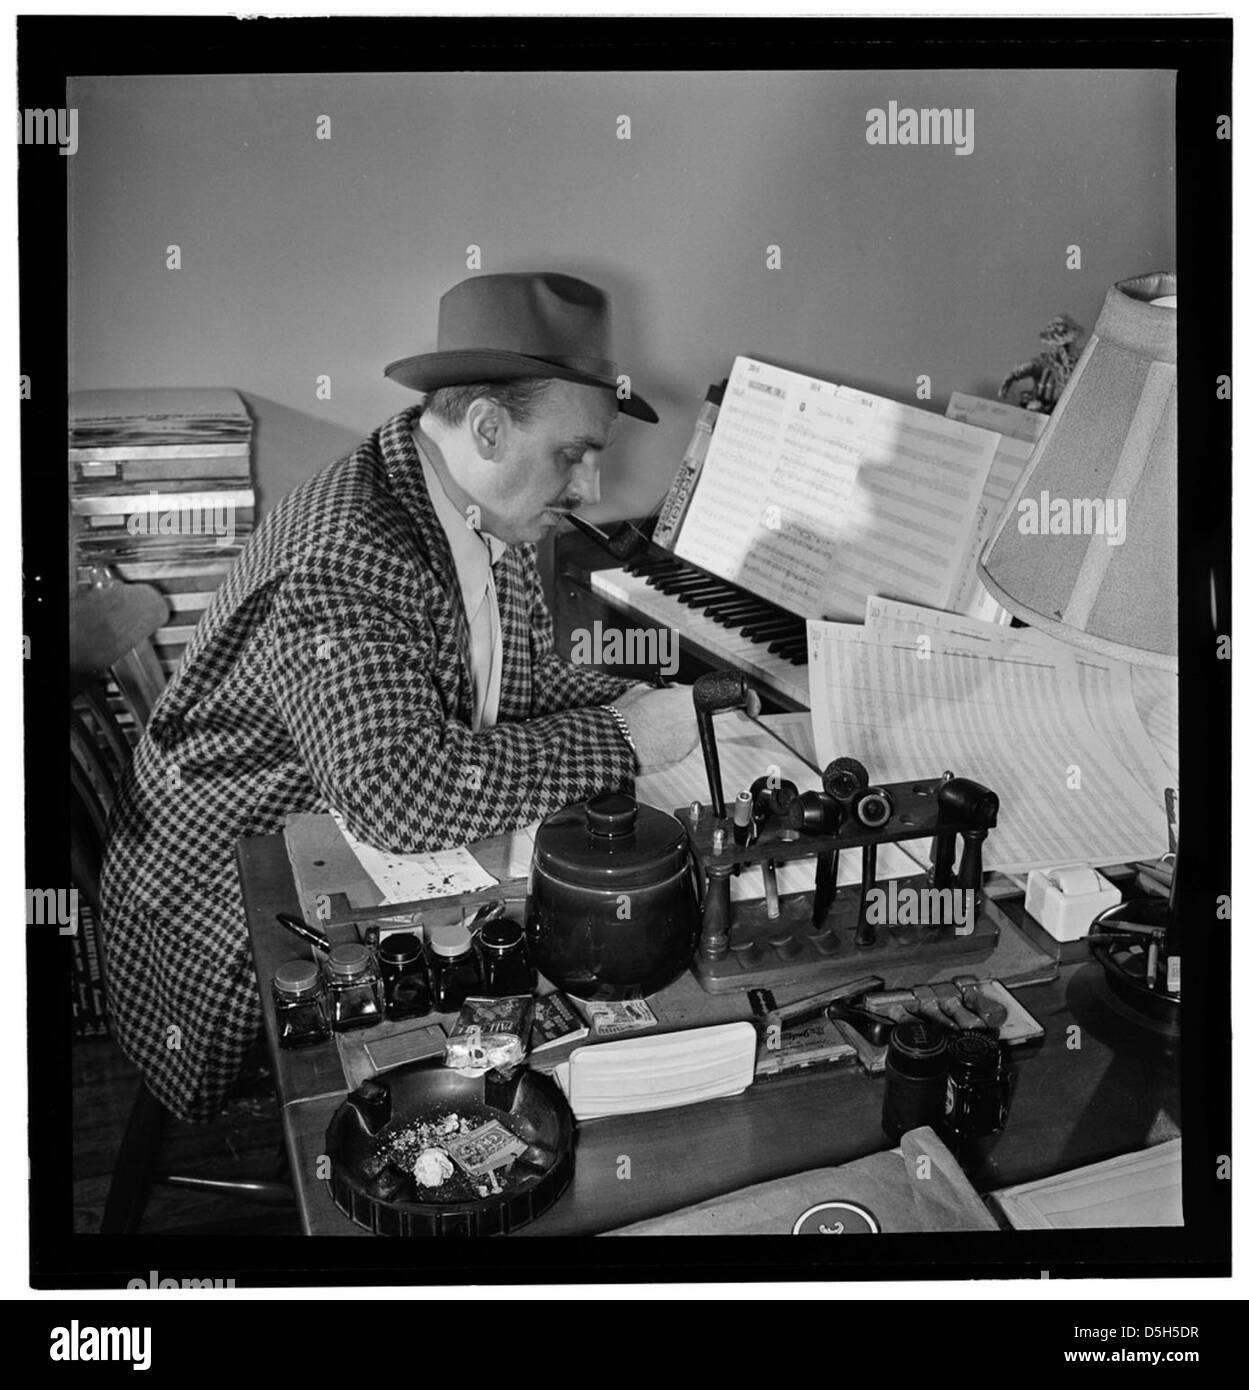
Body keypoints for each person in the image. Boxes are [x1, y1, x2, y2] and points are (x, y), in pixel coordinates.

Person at [100, 272, 703, 1122]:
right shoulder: (351, 555)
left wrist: (639, 697)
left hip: (321, 846)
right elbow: (399, 795)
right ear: (487, 428)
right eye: (573, 454)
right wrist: (623, 737)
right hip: (228, 916)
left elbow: (516, 681)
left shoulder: (462, 501)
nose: (590, 489)